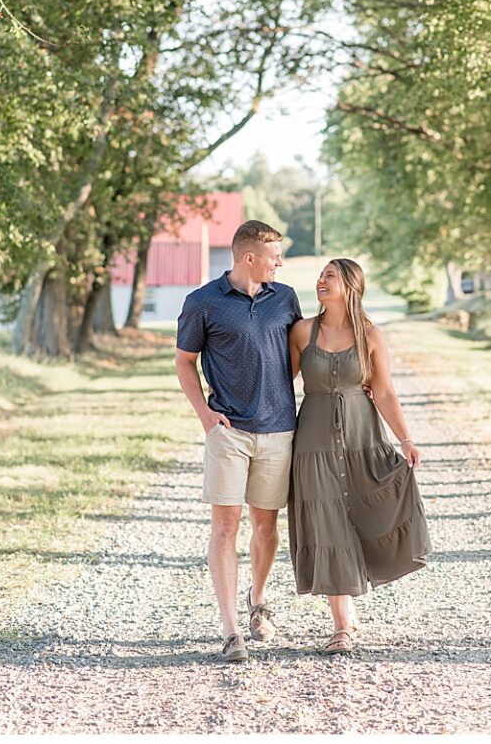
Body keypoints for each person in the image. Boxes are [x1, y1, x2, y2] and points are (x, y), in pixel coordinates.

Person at [174, 219, 302, 664]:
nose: (280, 262)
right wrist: (206, 416)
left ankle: (258, 599)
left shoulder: (284, 298)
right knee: (225, 528)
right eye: (274, 256)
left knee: (267, 527)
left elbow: (300, 352)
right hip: (228, 432)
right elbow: (185, 363)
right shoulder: (203, 302)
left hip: (279, 428)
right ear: (250, 257)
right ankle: (230, 629)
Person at [288, 258, 430, 654]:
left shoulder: (370, 335)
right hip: (313, 440)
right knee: (327, 522)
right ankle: (341, 626)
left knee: (364, 512)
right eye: (320, 276)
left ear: (350, 285)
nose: (320, 281)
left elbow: (383, 391)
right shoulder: (302, 332)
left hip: (362, 436)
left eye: (329, 276)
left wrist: (406, 439)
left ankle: (350, 605)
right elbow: (282, 383)